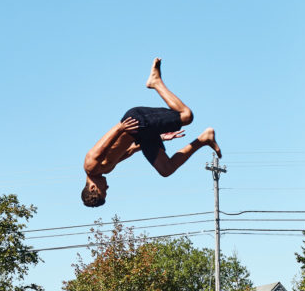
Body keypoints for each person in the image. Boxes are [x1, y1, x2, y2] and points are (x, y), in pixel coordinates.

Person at [81, 58, 221, 207]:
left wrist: (120, 127)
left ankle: (156, 82)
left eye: (104, 190)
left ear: (93, 188)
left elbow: (101, 146)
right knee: (166, 169)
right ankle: (204, 139)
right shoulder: (105, 170)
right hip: (141, 135)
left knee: (186, 116)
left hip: (135, 122)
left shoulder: (90, 166)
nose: (107, 187)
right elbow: (128, 151)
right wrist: (161, 138)